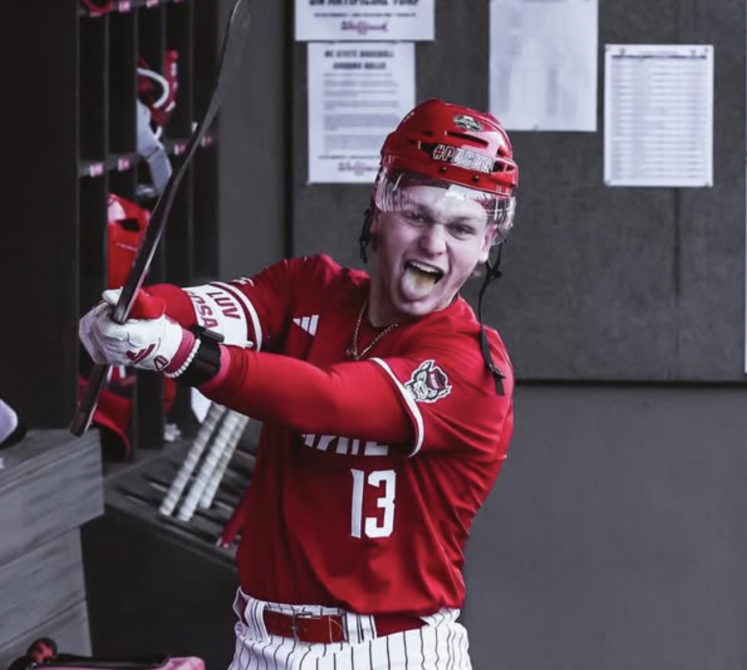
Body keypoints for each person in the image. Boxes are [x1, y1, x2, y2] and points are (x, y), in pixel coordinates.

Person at [79, 98, 519, 670]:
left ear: (487, 246)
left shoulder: (473, 368)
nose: (434, 244)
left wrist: (177, 353)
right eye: (417, 215)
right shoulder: (311, 286)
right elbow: (216, 309)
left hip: (385, 652)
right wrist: (135, 312)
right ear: (380, 205)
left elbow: (325, 399)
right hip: (259, 641)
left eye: (461, 228)